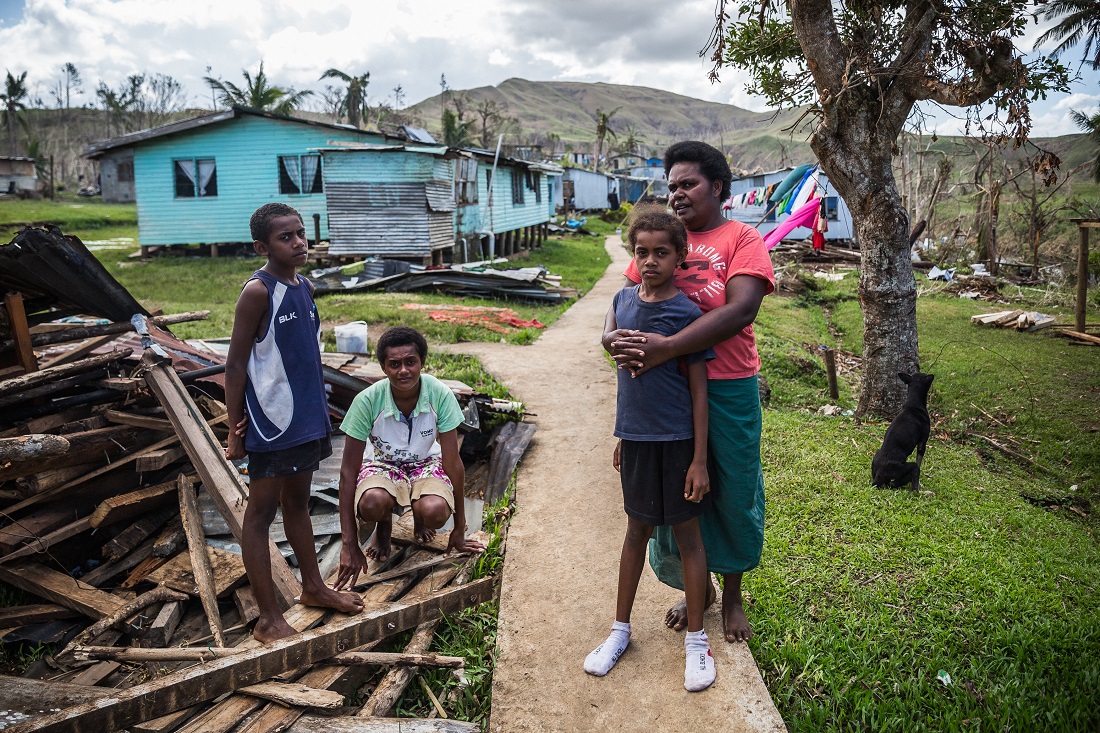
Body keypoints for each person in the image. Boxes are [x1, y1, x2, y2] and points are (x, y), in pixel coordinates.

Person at [604, 141, 775, 643]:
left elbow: (742, 309)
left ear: (717, 187)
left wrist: (668, 347)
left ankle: (734, 592)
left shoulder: (741, 238)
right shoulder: (664, 238)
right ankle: (696, 590)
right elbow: (625, 303)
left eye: (689, 184)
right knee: (678, 497)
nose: (678, 193)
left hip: (728, 385)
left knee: (733, 487)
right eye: (672, 185)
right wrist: (614, 338)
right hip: (663, 394)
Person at [585, 209, 716, 692]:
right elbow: (627, 382)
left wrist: (700, 459)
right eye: (642, 252)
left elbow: (698, 390)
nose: (651, 260)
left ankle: (697, 642)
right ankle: (619, 631)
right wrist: (623, 435)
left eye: (662, 252)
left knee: (688, 538)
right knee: (635, 530)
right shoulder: (622, 302)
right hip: (637, 441)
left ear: (680, 257)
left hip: (678, 441)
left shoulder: (686, 313)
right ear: (633, 255)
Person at [225, 202, 364, 643]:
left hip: (306, 418)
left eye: (301, 233)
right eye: (286, 237)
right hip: (272, 423)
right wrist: (234, 428)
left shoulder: (303, 287)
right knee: (260, 513)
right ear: (262, 246)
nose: (299, 242)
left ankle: (313, 588)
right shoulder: (258, 291)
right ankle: (268, 618)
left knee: (298, 504)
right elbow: (235, 364)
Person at [333, 327, 485, 591]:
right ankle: (384, 526)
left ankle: (418, 517)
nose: (403, 371)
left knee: (435, 512)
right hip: (382, 462)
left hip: (425, 463)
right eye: (394, 364)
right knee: (371, 504)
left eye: (410, 362)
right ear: (383, 367)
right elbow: (348, 471)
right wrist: (349, 543)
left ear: (422, 363)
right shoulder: (367, 401)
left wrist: (460, 526)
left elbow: (452, 463)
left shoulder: (439, 394)